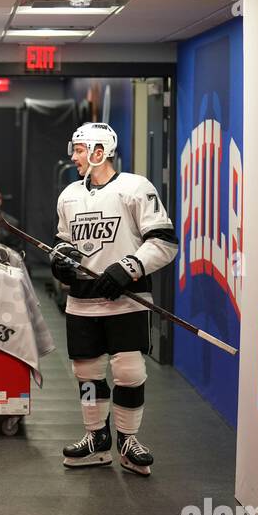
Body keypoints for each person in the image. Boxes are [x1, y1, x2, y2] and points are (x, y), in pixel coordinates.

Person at [50, 122, 178, 476]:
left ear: (98, 151)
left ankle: (128, 440)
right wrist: (61, 260)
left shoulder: (136, 188)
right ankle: (97, 438)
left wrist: (131, 266)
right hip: (82, 302)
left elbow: (165, 242)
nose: (73, 157)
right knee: (87, 373)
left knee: (129, 372)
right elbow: (65, 241)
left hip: (127, 301)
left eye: (79, 150)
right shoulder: (69, 196)